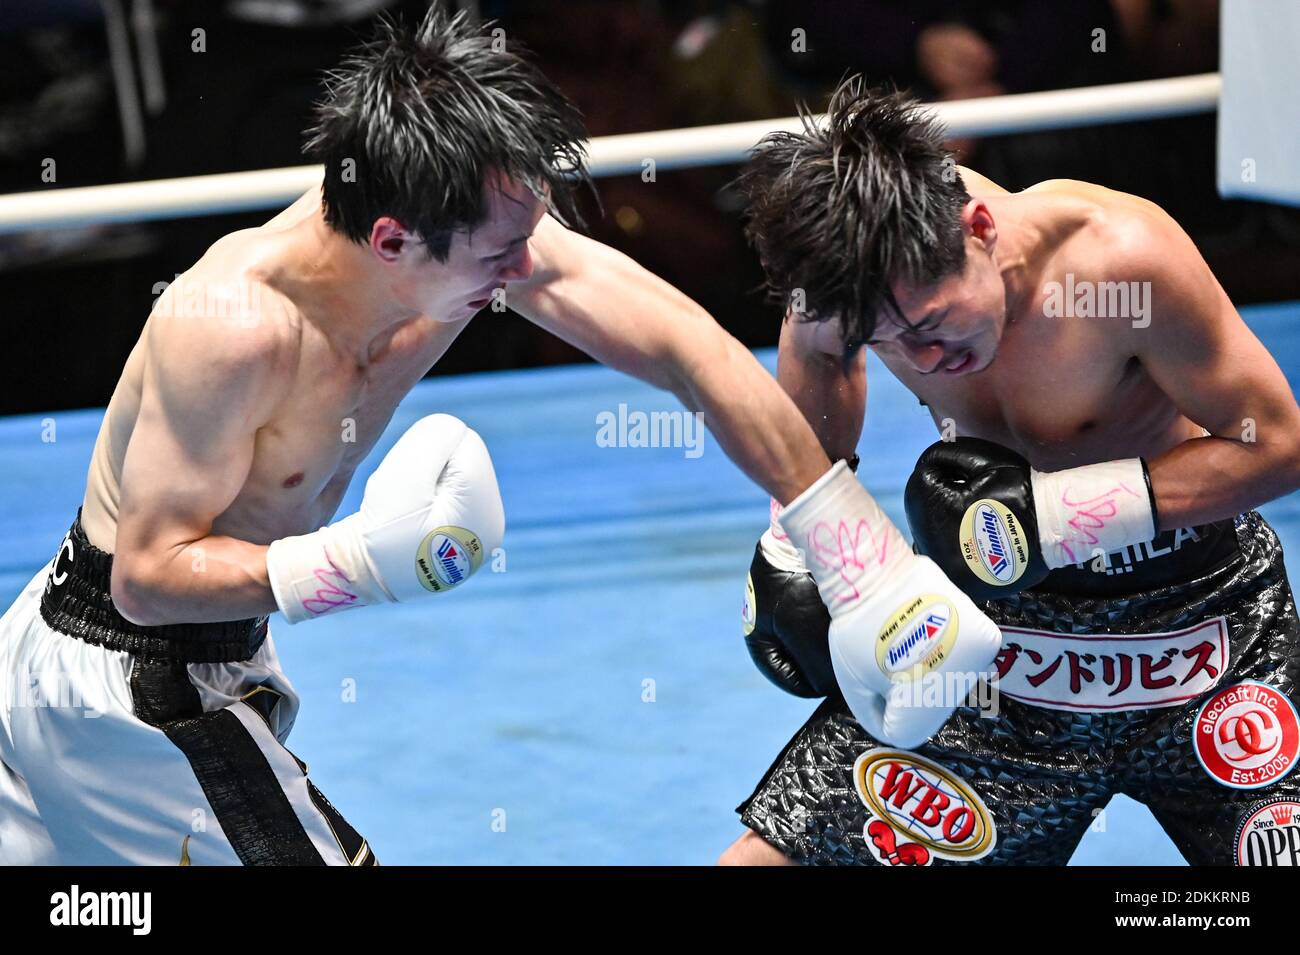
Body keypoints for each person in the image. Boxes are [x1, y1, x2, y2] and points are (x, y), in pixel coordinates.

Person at [0, 9, 992, 864]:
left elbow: (690, 351)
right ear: (392, 239)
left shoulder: (473, 226)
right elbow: (144, 576)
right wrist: (347, 563)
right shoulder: (229, 328)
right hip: (128, 682)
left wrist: (849, 546)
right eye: (499, 251)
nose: (528, 265)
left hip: (164, 656)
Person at [727, 78, 1300, 866]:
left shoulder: (1118, 261)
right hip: (1001, 638)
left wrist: (1054, 515)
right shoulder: (845, 280)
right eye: (890, 342)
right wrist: (804, 540)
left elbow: (1276, 441)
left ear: (981, 226)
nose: (925, 359)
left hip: (1204, 626)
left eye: (931, 323)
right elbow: (818, 350)